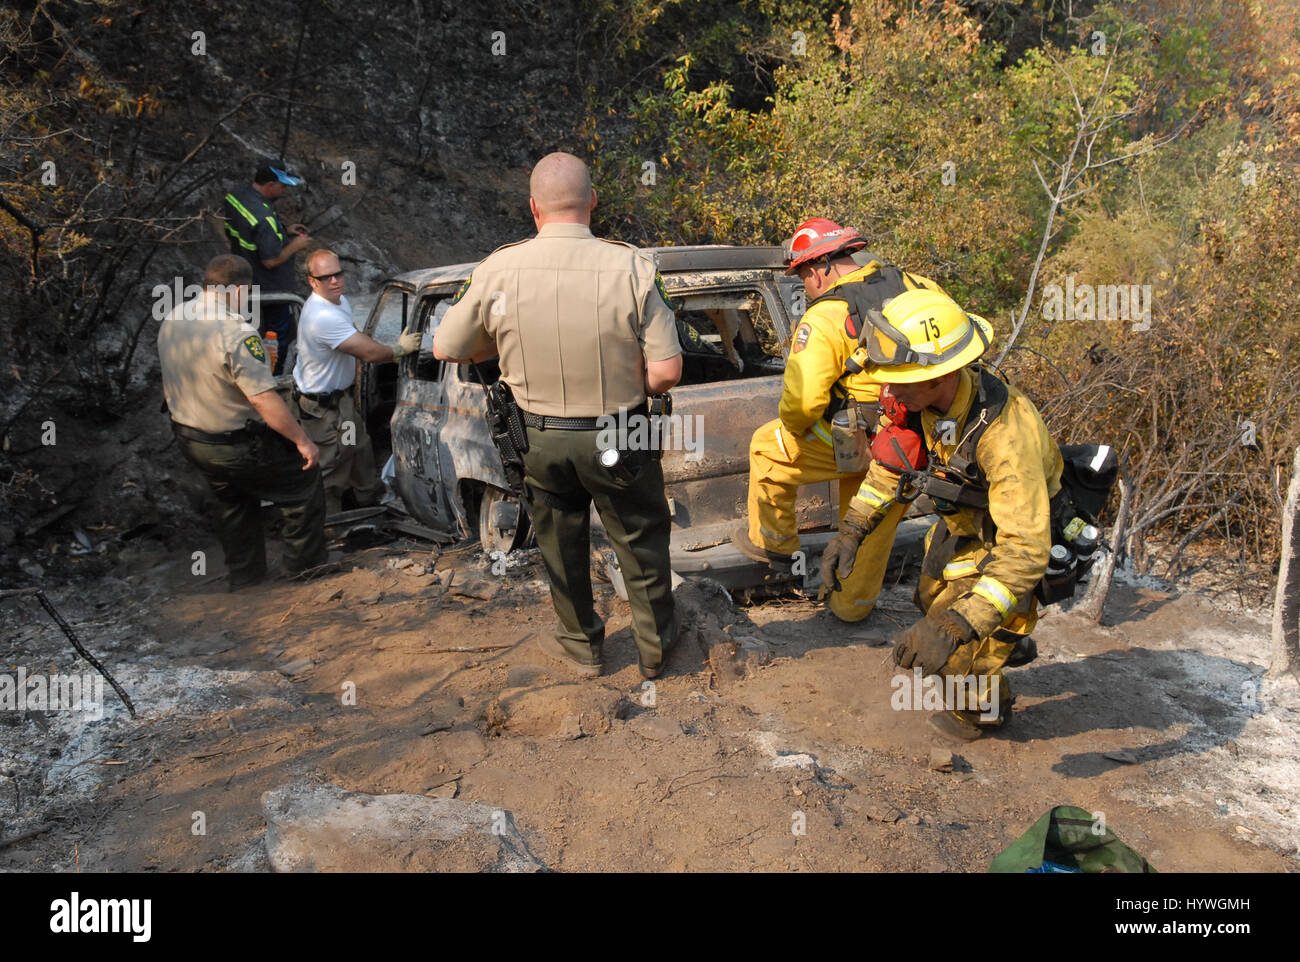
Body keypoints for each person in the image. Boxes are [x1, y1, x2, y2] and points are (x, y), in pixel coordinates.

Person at [432, 151, 682, 680]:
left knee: (558, 540)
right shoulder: (634, 266)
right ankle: (656, 649)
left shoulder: (497, 268)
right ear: (592, 200)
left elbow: (446, 347)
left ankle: (582, 647)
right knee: (638, 538)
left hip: (537, 437)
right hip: (620, 431)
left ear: (533, 208)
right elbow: (666, 373)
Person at [818, 287, 1063, 742]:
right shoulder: (922, 402)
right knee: (928, 601)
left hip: (1010, 548)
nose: (888, 389)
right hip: (961, 530)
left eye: (899, 378)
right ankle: (1004, 645)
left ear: (941, 375)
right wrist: (851, 530)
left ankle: (984, 714)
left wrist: (960, 625)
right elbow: (891, 466)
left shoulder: (1006, 439)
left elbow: (1026, 550)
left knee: (956, 650)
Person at [732, 217, 948, 622]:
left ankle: (775, 546)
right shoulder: (921, 287)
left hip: (852, 440)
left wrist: (796, 432)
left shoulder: (827, 315)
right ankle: (851, 610)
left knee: (767, 445)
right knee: (869, 521)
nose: (805, 284)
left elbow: (801, 404)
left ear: (817, 268)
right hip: (917, 440)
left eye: (802, 276)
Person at [158, 254, 327, 590]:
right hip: (235, 443)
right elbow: (262, 398)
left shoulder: (174, 317)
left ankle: (246, 576)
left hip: (192, 439)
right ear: (238, 290)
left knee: (233, 502)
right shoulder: (235, 332)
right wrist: (302, 442)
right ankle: (304, 570)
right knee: (302, 485)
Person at [293, 248, 422, 516]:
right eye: (326, 277)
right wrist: (397, 350)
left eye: (338, 274)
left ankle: (369, 507)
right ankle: (330, 529)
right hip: (321, 411)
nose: (335, 281)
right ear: (312, 281)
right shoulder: (321, 316)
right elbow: (369, 352)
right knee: (329, 468)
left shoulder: (338, 302)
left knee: (358, 448)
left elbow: (356, 337)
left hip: (342, 403)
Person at [221, 157, 311, 374]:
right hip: (271, 287)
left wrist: (283, 230)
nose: (285, 191)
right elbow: (271, 260)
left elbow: (247, 232)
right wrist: (296, 245)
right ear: (270, 184)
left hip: (244, 277)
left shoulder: (237, 197)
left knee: (246, 333)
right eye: (282, 186)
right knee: (277, 336)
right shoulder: (264, 217)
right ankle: (273, 377)